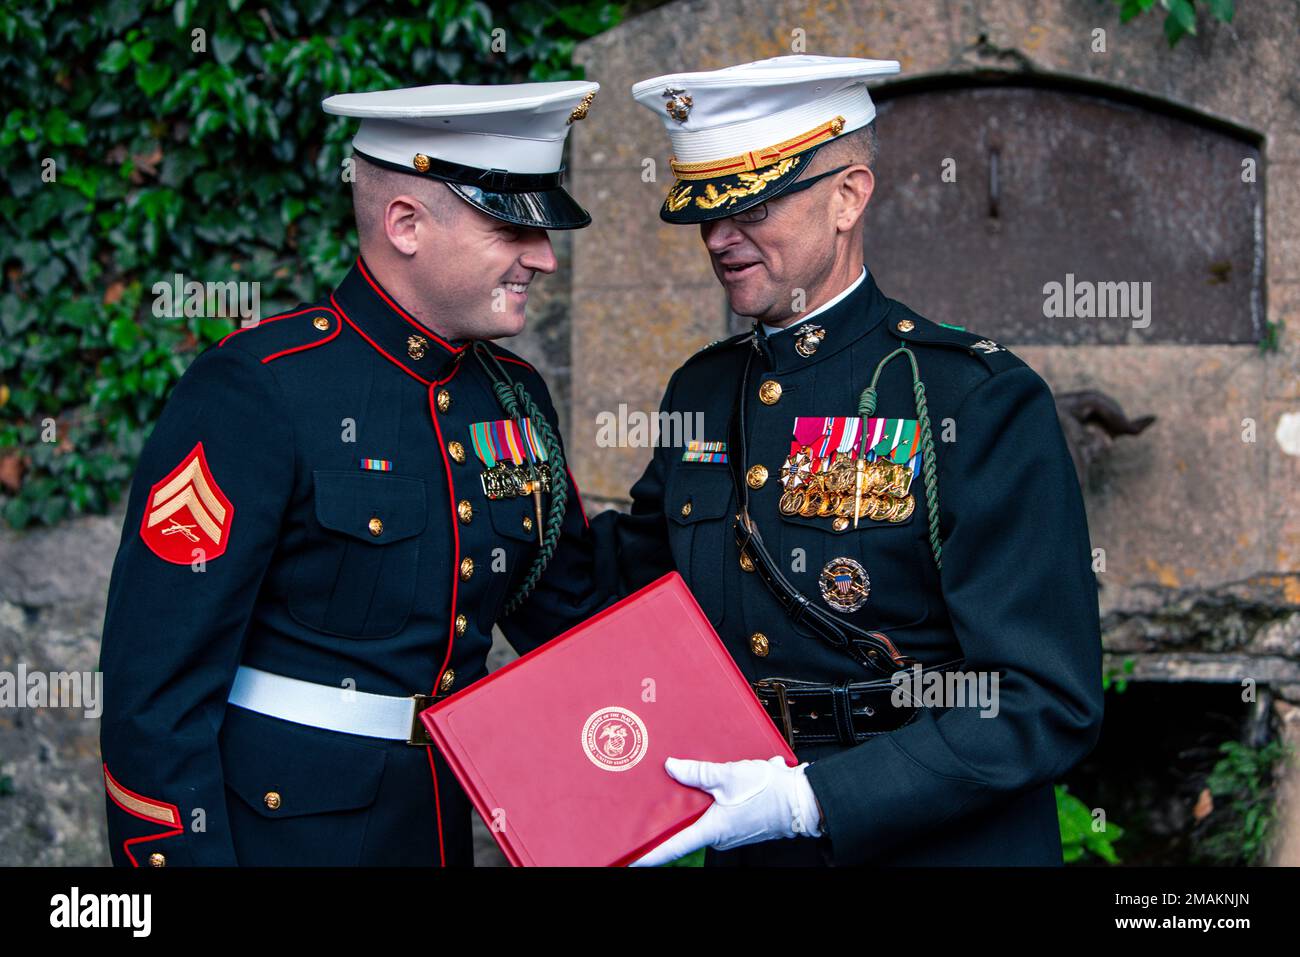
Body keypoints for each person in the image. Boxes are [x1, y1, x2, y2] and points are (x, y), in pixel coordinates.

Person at [592, 55, 1105, 866]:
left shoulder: (970, 396)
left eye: (752, 205)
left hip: (939, 846)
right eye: (705, 212)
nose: (721, 238)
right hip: (756, 840)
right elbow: (632, 594)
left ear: (847, 196)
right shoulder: (705, 387)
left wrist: (812, 800)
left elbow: (1044, 698)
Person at [97, 79, 604, 866]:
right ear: (405, 223)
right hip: (286, 838)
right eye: (511, 228)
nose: (542, 257)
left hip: (434, 825)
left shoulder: (514, 397)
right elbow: (152, 696)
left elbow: (576, 613)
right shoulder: (260, 386)